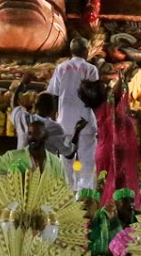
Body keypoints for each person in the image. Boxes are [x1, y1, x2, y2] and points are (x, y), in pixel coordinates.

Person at [47, 37, 99, 191]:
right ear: (86, 51)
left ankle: (68, 190)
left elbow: (54, 95)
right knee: (87, 159)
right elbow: (94, 96)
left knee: (65, 159)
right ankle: (85, 191)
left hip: (64, 123)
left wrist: (55, 118)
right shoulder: (91, 69)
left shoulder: (61, 68)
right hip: (85, 122)